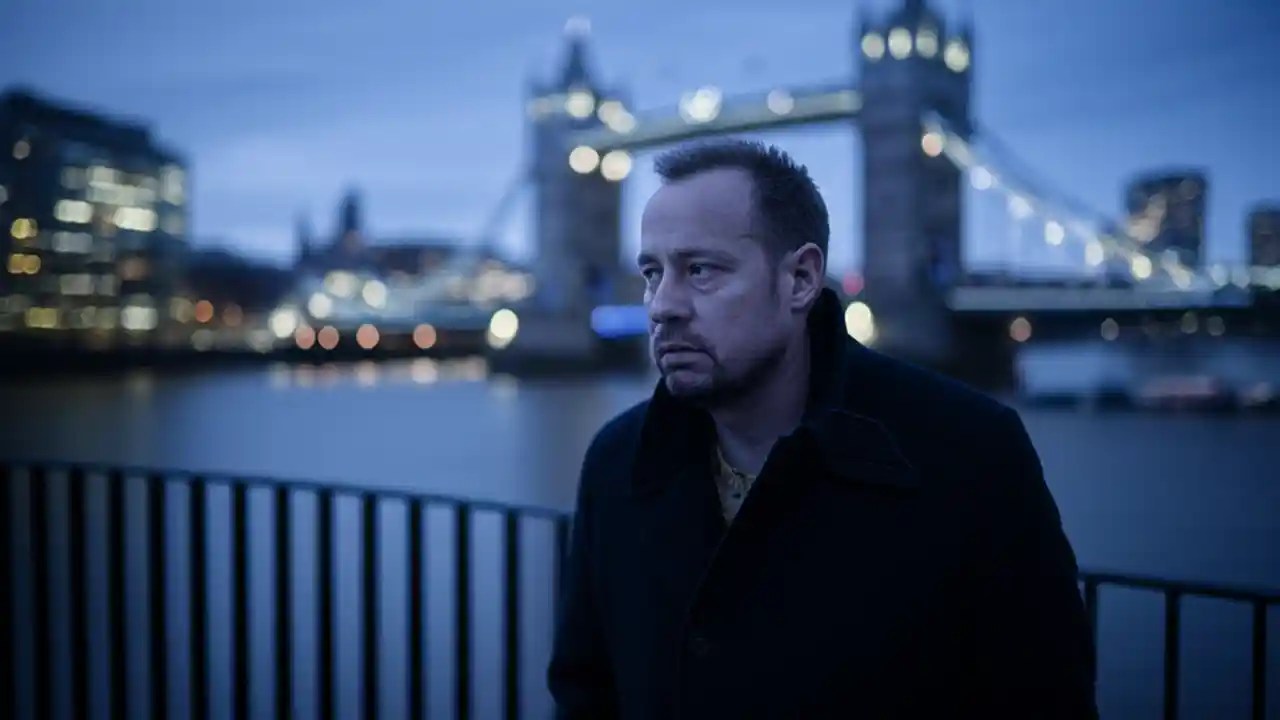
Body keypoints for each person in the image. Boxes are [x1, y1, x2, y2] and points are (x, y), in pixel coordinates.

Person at [547, 139, 1097, 718]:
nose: (662, 306)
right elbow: (585, 691)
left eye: (701, 271)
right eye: (653, 273)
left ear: (801, 279)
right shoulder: (615, 461)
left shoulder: (971, 454)